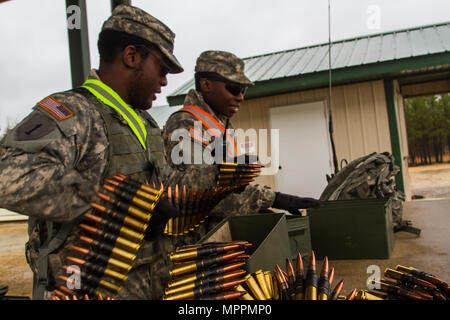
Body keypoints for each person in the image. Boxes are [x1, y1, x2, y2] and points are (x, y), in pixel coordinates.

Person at [0, 5, 183, 300]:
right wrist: (118, 204)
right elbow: (9, 176)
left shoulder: (146, 123)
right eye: (161, 68)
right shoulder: (72, 112)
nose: (164, 81)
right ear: (131, 56)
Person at [162, 50, 322, 242]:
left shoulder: (220, 126)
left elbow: (230, 185)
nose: (241, 97)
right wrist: (270, 199)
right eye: (234, 88)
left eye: (243, 90)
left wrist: (262, 204)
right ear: (206, 85)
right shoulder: (186, 124)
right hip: (197, 244)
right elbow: (197, 192)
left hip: (224, 238)